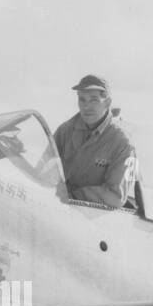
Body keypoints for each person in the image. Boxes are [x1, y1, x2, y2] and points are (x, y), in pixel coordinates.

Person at [54, 74, 138, 208]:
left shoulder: (124, 144)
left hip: (92, 217)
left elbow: (115, 196)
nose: (86, 106)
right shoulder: (64, 131)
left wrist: (72, 196)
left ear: (107, 103)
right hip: (57, 207)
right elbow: (43, 172)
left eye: (93, 100)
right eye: (82, 99)